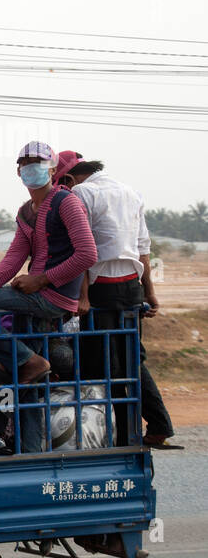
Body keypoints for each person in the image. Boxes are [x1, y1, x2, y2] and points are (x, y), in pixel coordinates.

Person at [0, 142, 97, 453]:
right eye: (25, 163)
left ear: (52, 169)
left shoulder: (66, 203)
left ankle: (29, 360)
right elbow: (12, 259)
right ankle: (30, 451)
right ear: (18, 171)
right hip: (32, 295)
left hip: (51, 296)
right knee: (29, 387)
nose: (31, 168)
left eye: (38, 162)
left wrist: (42, 279)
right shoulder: (26, 211)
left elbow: (87, 253)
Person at [58, 151, 179, 449]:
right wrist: (149, 292)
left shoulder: (81, 194)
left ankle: (125, 434)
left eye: (63, 186)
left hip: (101, 290)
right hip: (131, 289)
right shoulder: (130, 192)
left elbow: (83, 249)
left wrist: (83, 296)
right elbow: (143, 249)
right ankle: (157, 424)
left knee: (105, 364)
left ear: (70, 179)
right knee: (131, 358)